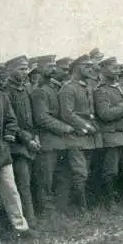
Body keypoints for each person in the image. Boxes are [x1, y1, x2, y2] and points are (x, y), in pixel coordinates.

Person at [0, 62, 37, 238]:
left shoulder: (0, 96)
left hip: (0, 152)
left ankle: (20, 227)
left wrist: (7, 136)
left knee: (10, 190)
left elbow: (11, 120)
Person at [93, 57, 123, 210]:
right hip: (111, 136)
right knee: (111, 171)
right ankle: (110, 202)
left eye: (116, 67)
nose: (116, 69)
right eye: (112, 67)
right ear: (103, 69)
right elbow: (105, 114)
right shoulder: (100, 90)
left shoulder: (117, 88)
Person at [31, 55, 75, 215]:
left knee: (63, 176)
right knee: (46, 179)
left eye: (53, 65)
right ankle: (47, 212)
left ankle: (61, 209)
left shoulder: (55, 88)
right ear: (39, 69)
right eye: (48, 66)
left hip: (60, 141)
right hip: (47, 141)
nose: (53, 69)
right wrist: (65, 128)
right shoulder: (39, 91)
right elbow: (42, 117)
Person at [57, 54, 99, 213]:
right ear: (77, 68)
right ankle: (81, 209)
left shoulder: (86, 87)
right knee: (80, 173)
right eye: (86, 66)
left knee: (85, 172)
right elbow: (67, 114)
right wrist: (86, 126)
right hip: (75, 136)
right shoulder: (68, 88)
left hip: (87, 137)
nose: (90, 68)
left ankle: (79, 206)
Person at [4, 55, 41, 228]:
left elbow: (31, 118)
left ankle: (34, 217)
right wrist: (28, 140)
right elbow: (11, 122)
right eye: (21, 69)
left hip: (30, 142)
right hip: (16, 146)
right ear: (11, 71)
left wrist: (36, 137)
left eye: (26, 69)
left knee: (34, 181)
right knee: (23, 184)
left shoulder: (25, 89)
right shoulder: (6, 92)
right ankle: (29, 222)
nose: (25, 72)